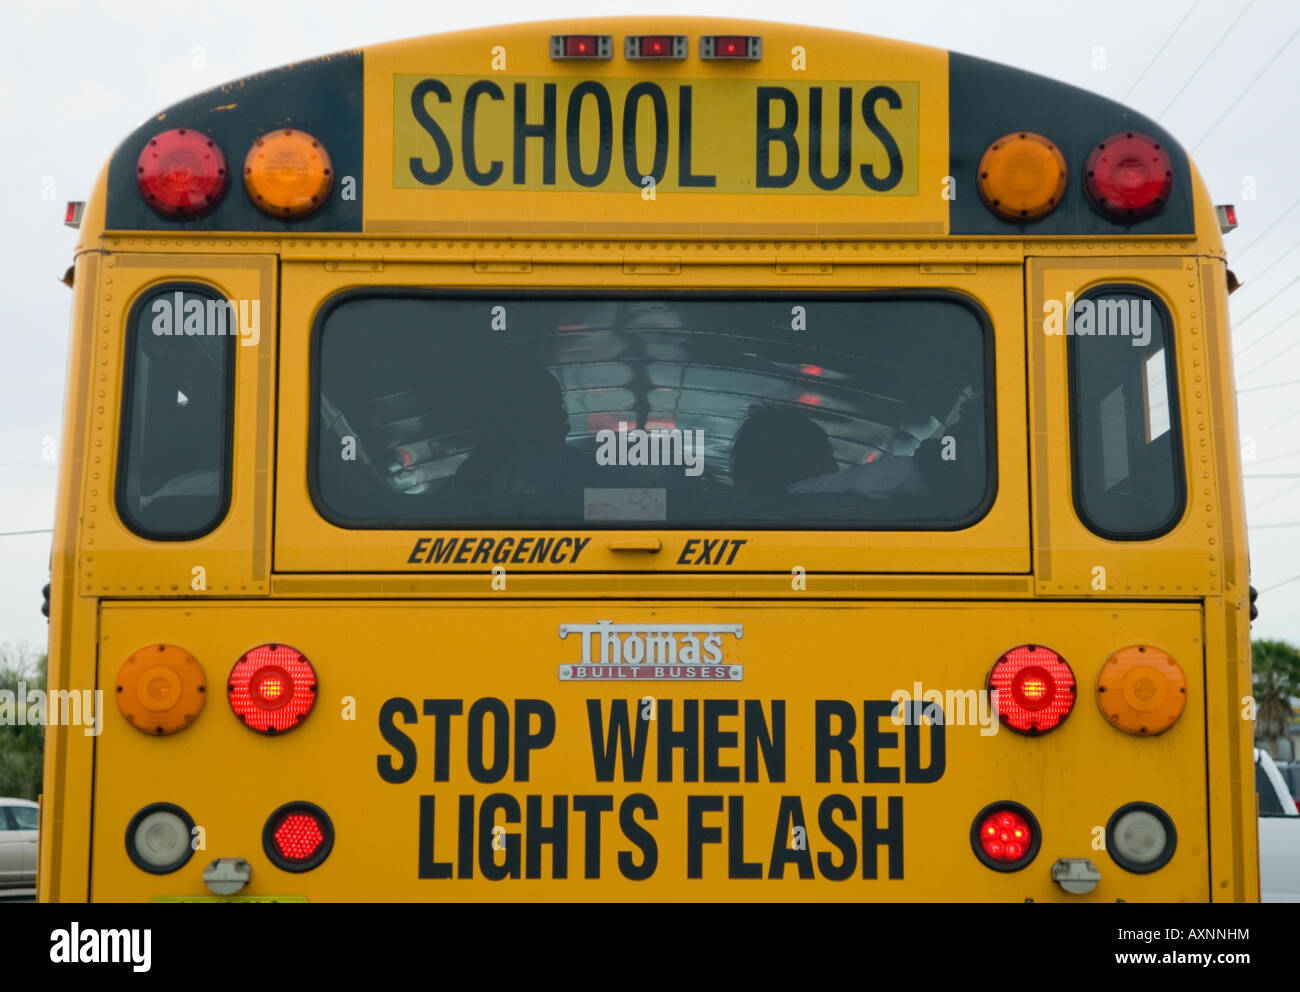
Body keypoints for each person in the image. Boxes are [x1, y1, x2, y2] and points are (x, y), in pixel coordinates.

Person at [448, 362, 587, 495]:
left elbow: (602, 511)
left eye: (559, 403)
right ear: (519, 413)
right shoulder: (476, 474)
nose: (563, 414)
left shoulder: (571, 463)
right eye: (552, 405)